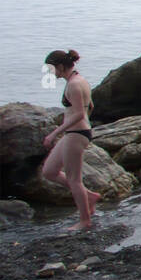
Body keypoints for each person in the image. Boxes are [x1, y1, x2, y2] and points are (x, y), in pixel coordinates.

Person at [40, 49, 100, 231]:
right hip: (74, 133)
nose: (51, 74)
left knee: (74, 180)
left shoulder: (74, 85)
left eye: (52, 69)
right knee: (49, 171)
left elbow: (80, 114)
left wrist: (54, 133)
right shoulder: (79, 80)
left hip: (76, 134)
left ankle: (85, 221)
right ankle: (88, 196)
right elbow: (90, 106)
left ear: (60, 66)